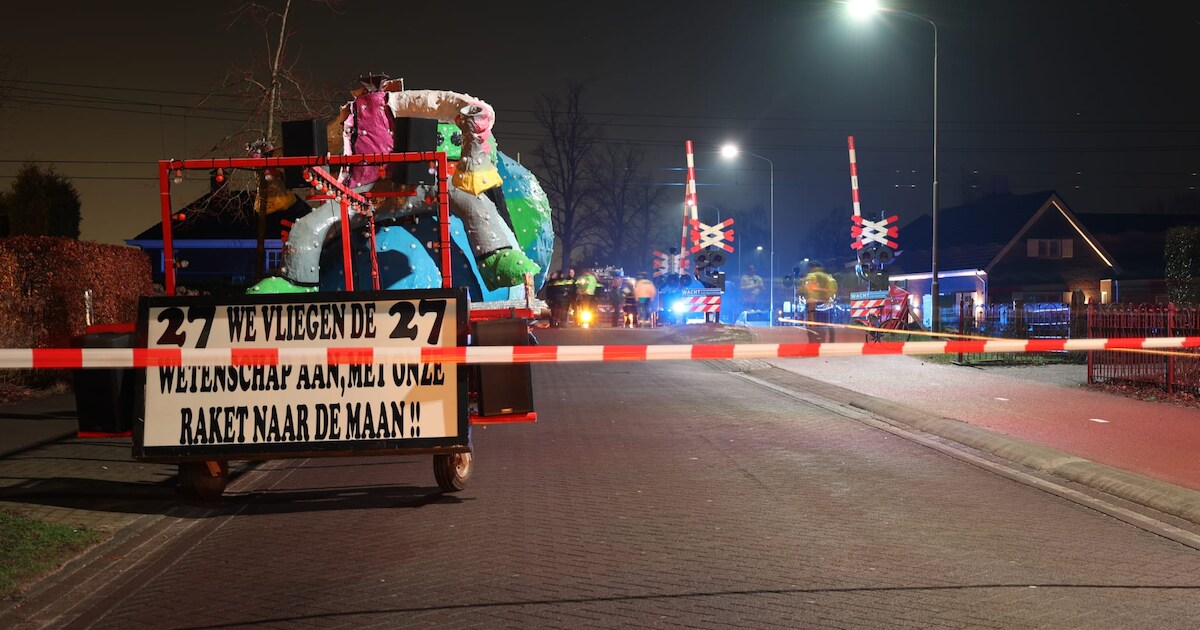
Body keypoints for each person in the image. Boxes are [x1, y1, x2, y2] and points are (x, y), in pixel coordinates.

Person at [803, 260, 838, 342]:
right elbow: (833, 289)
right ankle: (825, 341)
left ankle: (813, 343)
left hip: (812, 303)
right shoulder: (829, 278)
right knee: (824, 324)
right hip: (825, 303)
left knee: (812, 324)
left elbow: (810, 287)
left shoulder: (811, 276)